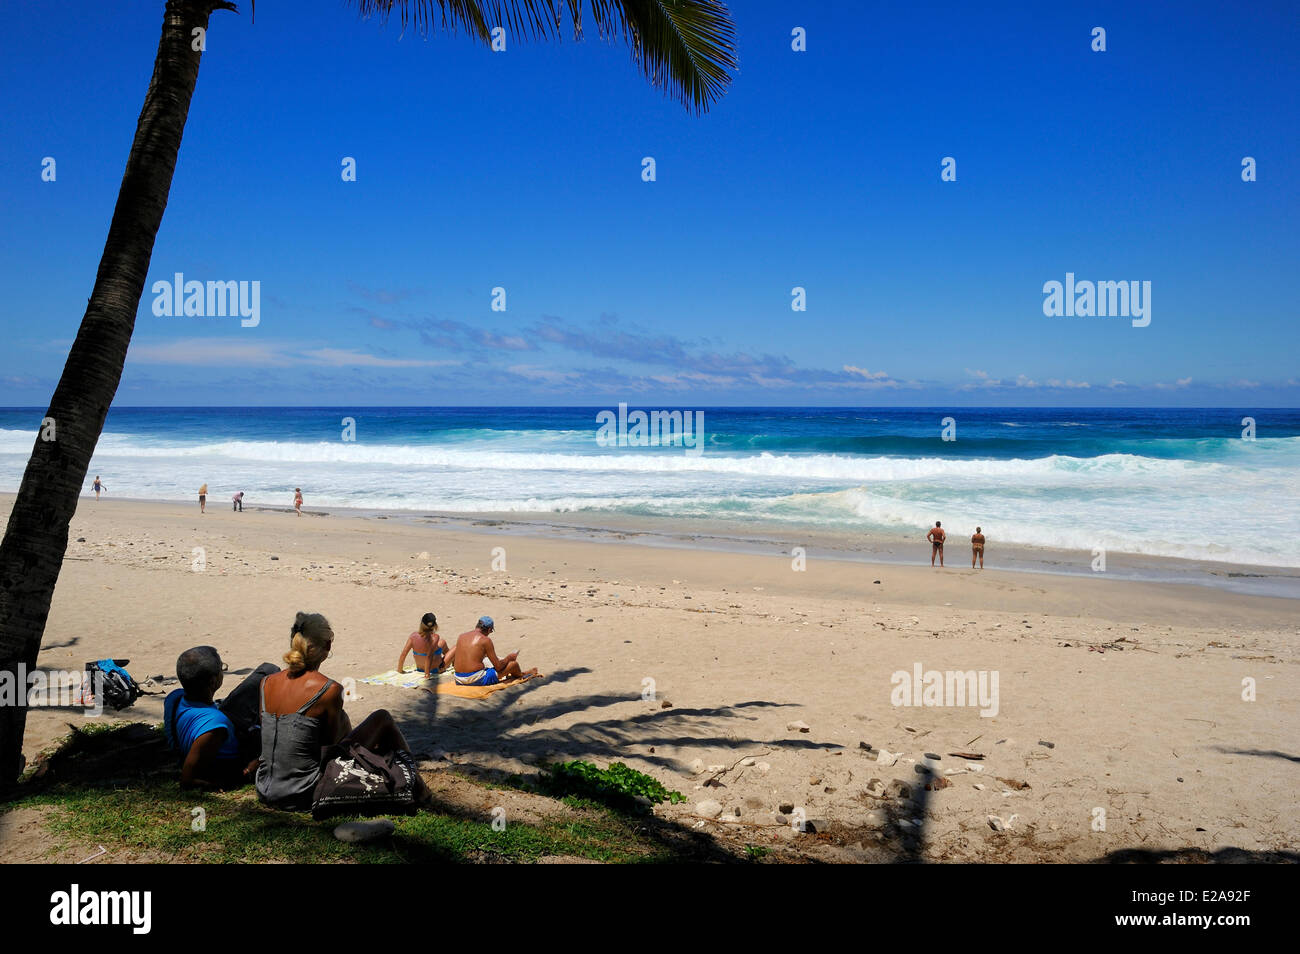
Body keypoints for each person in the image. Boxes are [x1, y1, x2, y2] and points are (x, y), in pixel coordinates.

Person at [256, 612, 424, 811]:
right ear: (327, 646)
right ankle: (418, 787)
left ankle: (413, 783)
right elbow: (331, 748)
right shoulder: (328, 689)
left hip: (265, 787)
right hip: (302, 791)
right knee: (382, 718)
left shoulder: (266, 682)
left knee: (342, 719)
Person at [163, 647, 279, 790]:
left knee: (268, 671)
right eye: (221, 669)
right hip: (238, 748)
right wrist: (249, 770)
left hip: (222, 721)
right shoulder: (215, 727)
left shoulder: (174, 697)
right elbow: (187, 780)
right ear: (213, 681)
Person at [445, 616, 537, 687]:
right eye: (491, 631)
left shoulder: (462, 636)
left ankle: (522, 673)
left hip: (458, 678)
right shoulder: (485, 640)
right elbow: (498, 667)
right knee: (513, 665)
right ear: (489, 629)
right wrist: (509, 658)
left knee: (487, 663)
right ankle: (522, 675)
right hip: (474, 679)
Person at [397, 612, 449, 678]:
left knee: (442, 642)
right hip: (435, 669)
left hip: (420, 668)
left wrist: (400, 670)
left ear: (421, 623)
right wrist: (427, 674)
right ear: (435, 625)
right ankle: (453, 663)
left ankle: (452, 662)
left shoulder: (413, 636)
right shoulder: (435, 637)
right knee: (455, 648)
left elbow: (404, 653)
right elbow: (429, 656)